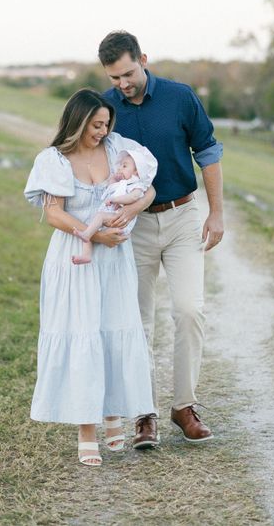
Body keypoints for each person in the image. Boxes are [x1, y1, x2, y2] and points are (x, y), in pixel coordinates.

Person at [99, 30, 225, 449]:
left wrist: (217, 213)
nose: (123, 84)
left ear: (144, 59)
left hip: (182, 215)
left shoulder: (180, 97)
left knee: (189, 310)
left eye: (129, 73)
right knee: (137, 320)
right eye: (115, 77)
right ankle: (144, 414)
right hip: (130, 228)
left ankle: (184, 406)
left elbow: (207, 153)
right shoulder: (107, 107)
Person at [23, 89, 158, 466]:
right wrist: (95, 233)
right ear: (78, 122)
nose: (103, 131)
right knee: (82, 333)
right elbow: (54, 214)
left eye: (106, 124)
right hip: (74, 258)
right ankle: (87, 429)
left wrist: (130, 209)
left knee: (113, 331)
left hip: (115, 259)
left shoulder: (117, 148)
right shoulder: (54, 159)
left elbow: (149, 190)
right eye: (96, 125)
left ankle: (113, 413)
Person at [72, 145, 158, 265]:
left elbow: (132, 197)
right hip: (111, 215)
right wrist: (113, 180)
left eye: (124, 166)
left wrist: (115, 200)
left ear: (136, 171)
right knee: (90, 224)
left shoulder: (137, 185)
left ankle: (86, 235)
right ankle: (86, 254)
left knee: (97, 220)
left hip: (120, 219)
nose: (120, 168)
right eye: (120, 165)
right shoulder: (121, 184)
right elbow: (109, 188)